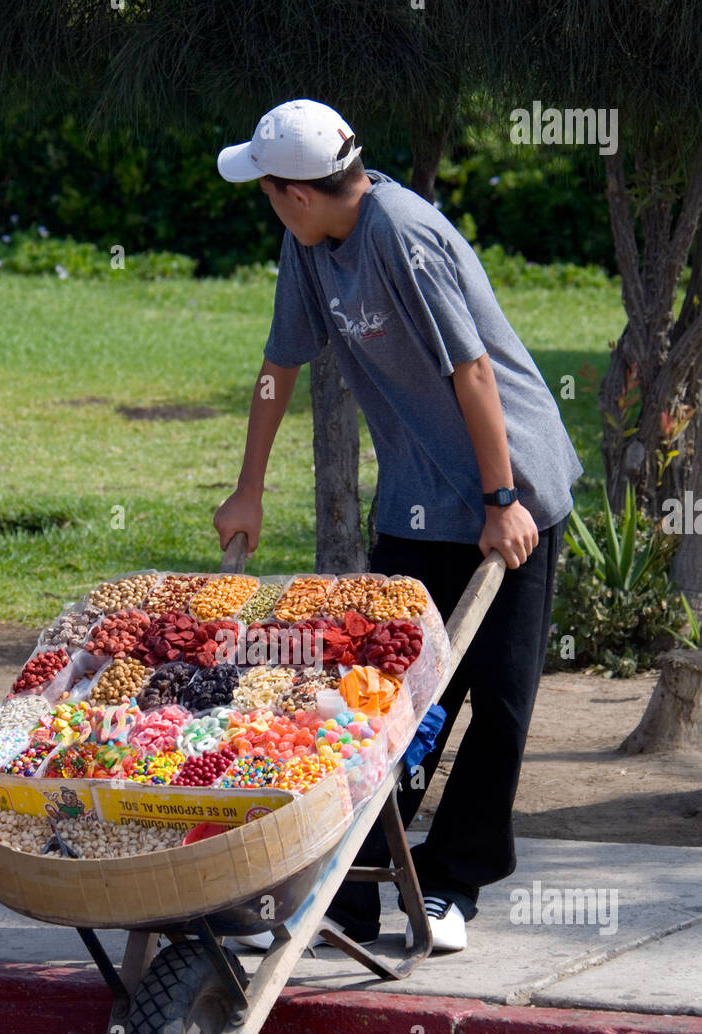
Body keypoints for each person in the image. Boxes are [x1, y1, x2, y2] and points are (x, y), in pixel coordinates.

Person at [213, 99, 583, 954]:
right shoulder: (307, 249)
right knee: (386, 698)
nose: (267, 205)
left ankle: (452, 886)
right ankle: (351, 889)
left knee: (494, 700)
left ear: (296, 193)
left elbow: (476, 371)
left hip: (512, 490)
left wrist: (500, 501)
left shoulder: (404, 235)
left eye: (266, 191)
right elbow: (278, 368)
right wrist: (249, 490)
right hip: (417, 497)